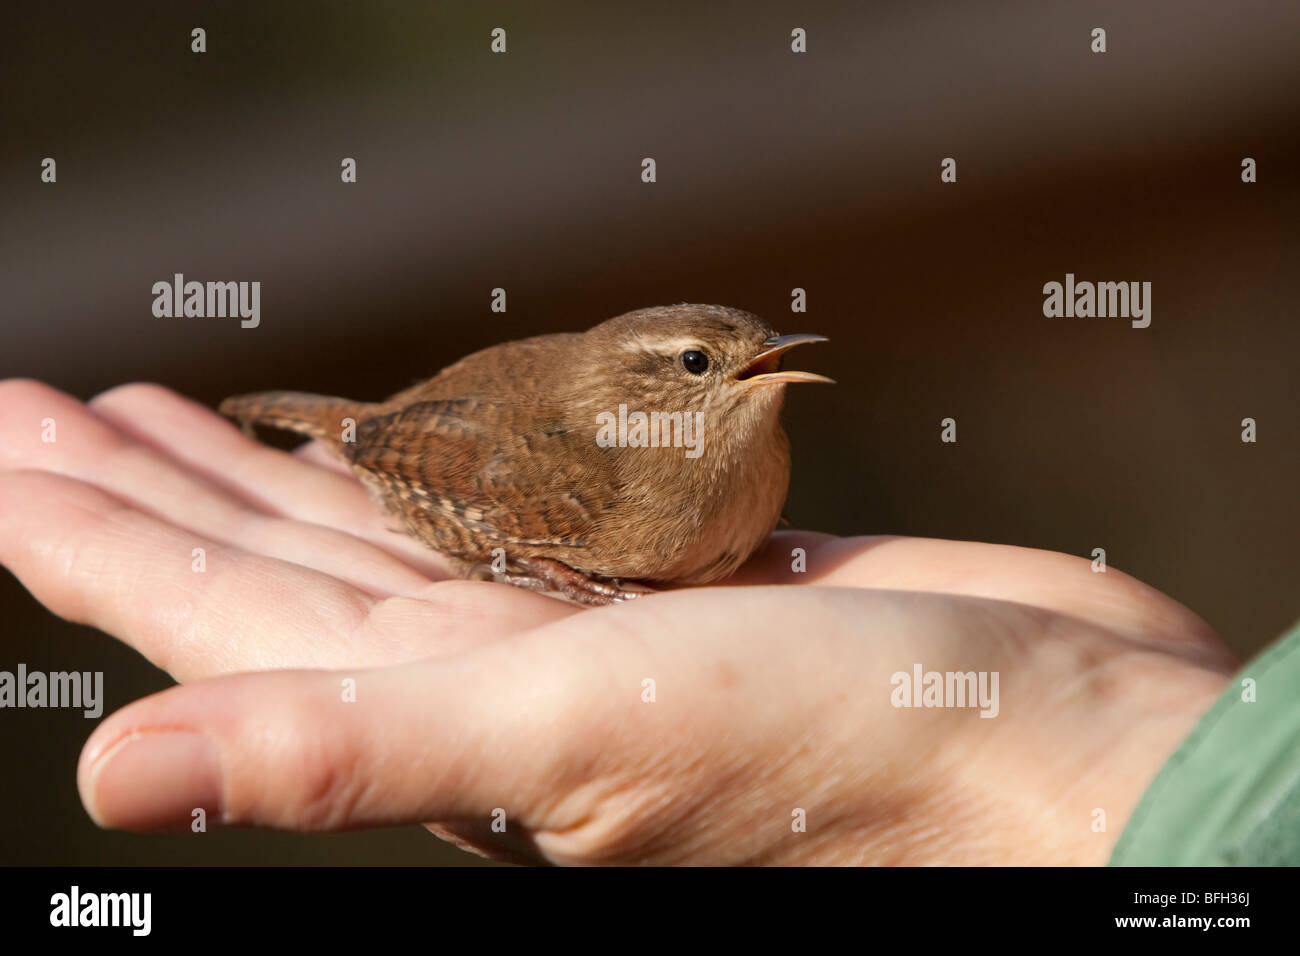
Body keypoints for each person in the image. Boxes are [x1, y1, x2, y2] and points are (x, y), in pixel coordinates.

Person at [0, 379, 1290, 865]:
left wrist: (1092, 742)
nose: (748, 382)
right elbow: (428, 469)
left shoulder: (736, 469)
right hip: (429, 458)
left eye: (754, 366)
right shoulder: (600, 471)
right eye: (700, 368)